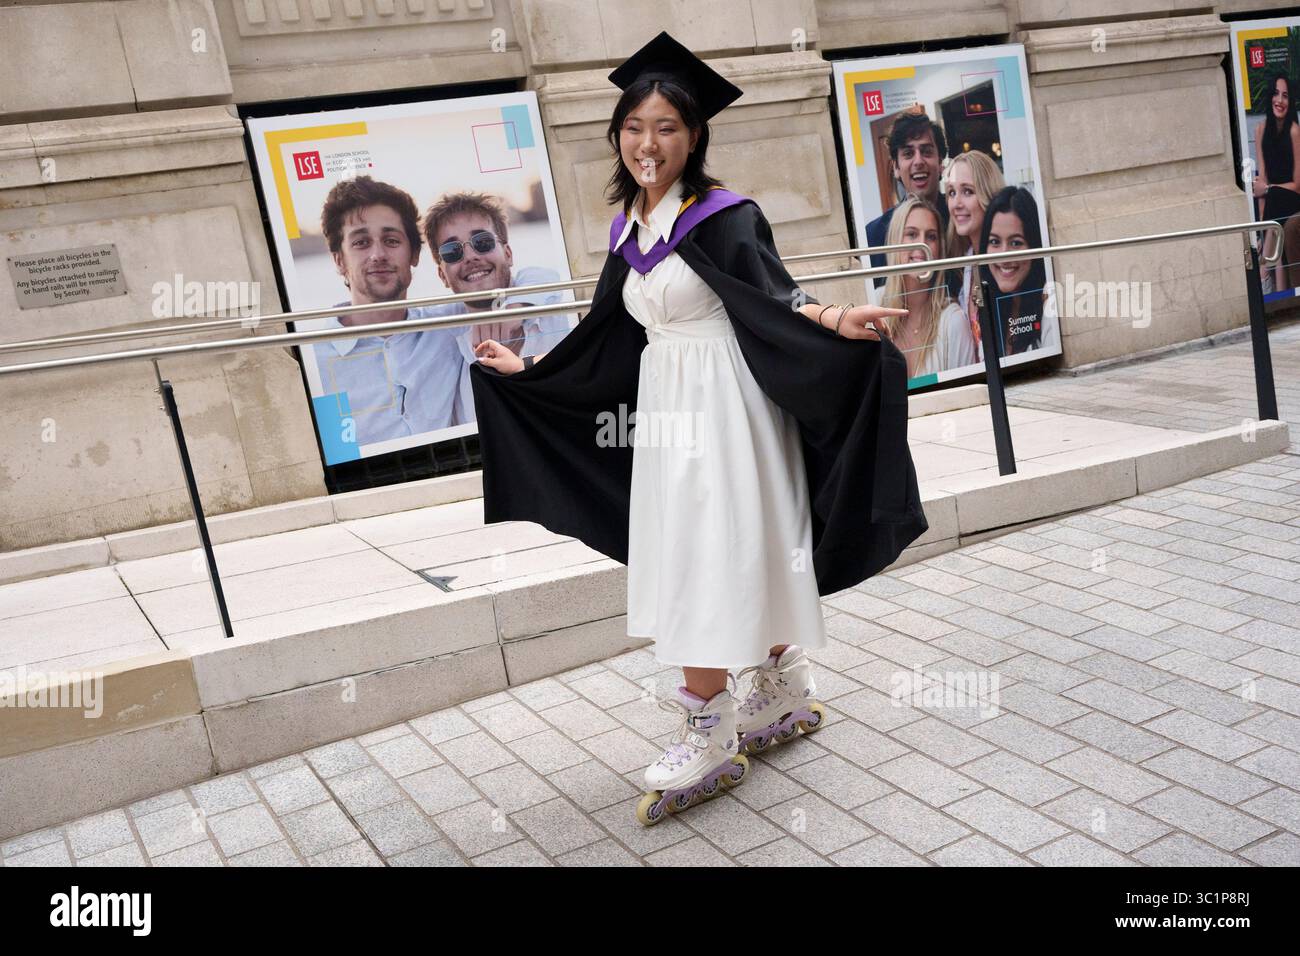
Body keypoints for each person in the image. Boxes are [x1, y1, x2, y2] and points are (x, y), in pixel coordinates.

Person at [468, 31, 928, 825]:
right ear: (618, 134)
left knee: (715, 551)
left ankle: (710, 729)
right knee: (713, 548)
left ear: (695, 136)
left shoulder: (722, 217)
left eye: (669, 127)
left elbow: (774, 296)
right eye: (637, 127)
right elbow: (609, 334)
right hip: (667, 409)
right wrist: (530, 375)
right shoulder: (627, 230)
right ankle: (783, 685)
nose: (650, 143)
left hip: (730, 406)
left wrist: (833, 315)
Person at [310, 176, 468, 450]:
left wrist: (518, 306)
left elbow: (523, 283)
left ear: (414, 255)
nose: (378, 255)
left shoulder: (448, 327)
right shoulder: (314, 360)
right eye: (361, 243)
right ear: (339, 260)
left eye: (391, 240)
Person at [408, 191, 577, 423]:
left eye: (482, 242)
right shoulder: (442, 340)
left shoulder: (562, 311)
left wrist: (515, 307)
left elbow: (552, 276)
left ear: (508, 254)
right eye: (452, 251)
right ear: (442, 275)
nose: (470, 256)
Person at [874, 196, 977, 378]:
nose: (922, 244)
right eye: (912, 234)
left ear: (939, 250)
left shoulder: (953, 322)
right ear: (895, 241)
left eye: (931, 236)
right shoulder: (874, 306)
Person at [864, 109, 950, 288]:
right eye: (908, 154)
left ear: (941, 163)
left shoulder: (961, 223)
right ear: (895, 167)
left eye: (926, 151)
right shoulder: (874, 236)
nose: (918, 161)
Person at [977, 186, 1059, 357]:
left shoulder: (1050, 305)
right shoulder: (990, 308)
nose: (1004, 256)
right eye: (994, 242)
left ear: (1034, 246)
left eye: (1016, 243)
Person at [944, 149, 1006, 362]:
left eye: (968, 191)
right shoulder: (967, 261)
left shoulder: (1005, 262)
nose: (957, 204)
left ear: (988, 194)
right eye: (952, 193)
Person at [1252, 73, 1300, 293]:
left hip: (1293, 199)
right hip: (1274, 206)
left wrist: (1269, 188)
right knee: (1273, 225)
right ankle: (1278, 293)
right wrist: (1262, 228)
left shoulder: (1294, 131)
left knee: (1275, 195)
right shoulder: (1261, 130)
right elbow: (1261, 186)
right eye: (1276, 94)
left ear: (1290, 102)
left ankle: (1263, 275)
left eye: (1285, 96)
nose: (1280, 100)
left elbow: (1298, 185)